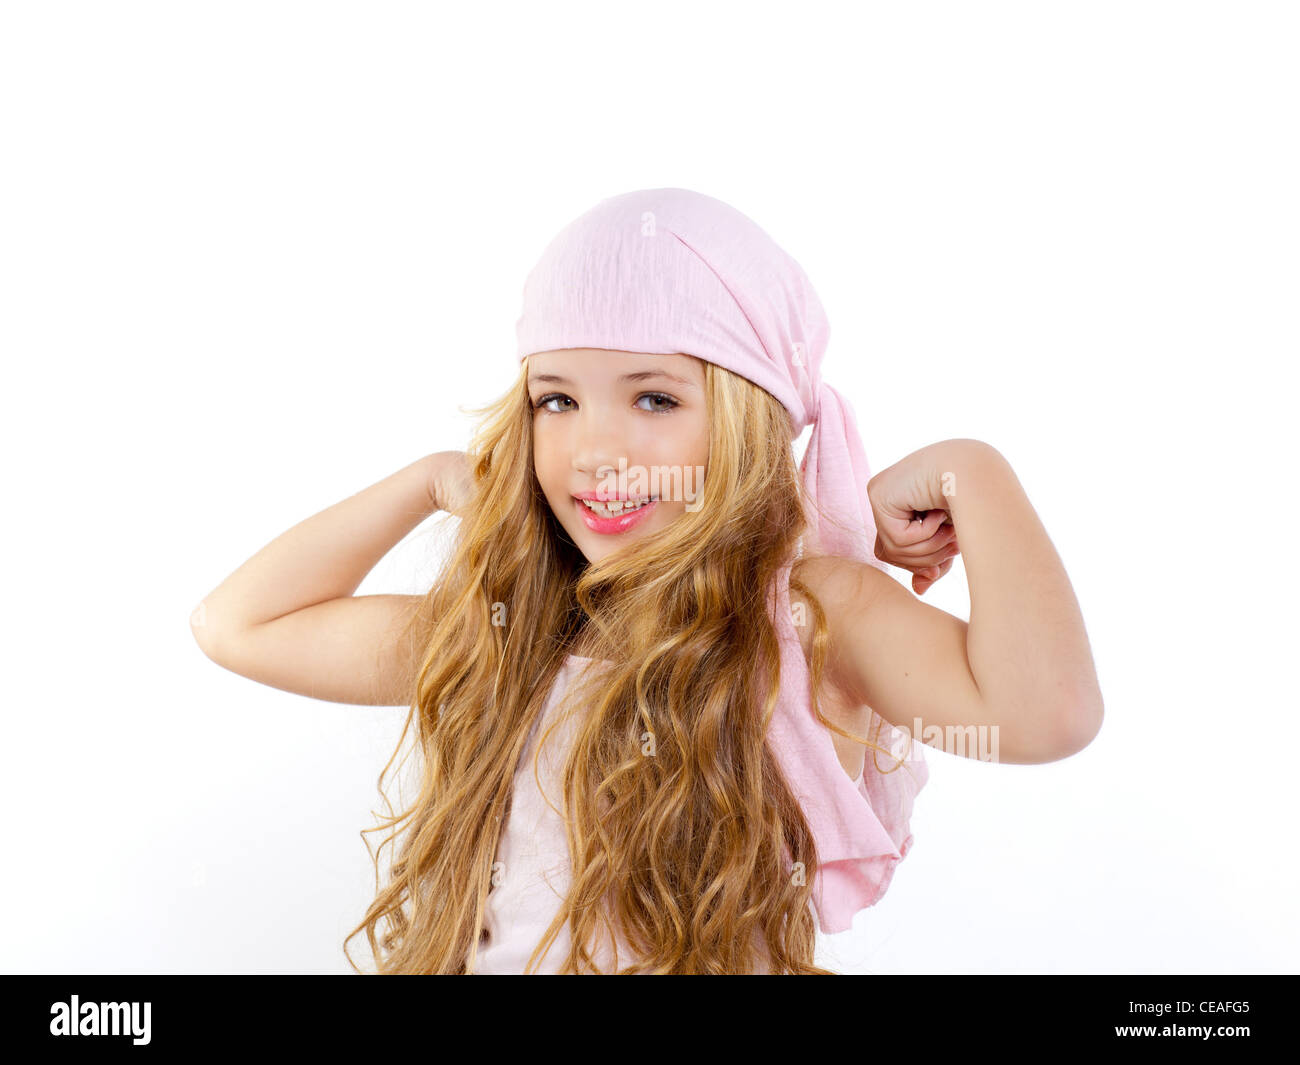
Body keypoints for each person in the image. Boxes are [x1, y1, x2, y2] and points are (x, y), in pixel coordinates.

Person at [190, 188, 1104, 974]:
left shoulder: (807, 618)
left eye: (655, 397)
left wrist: (973, 471)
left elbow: (1047, 712)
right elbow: (239, 624)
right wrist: (428, 479)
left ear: (752, 420)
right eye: (558, 398)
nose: (596, 448)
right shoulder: (516, 634)